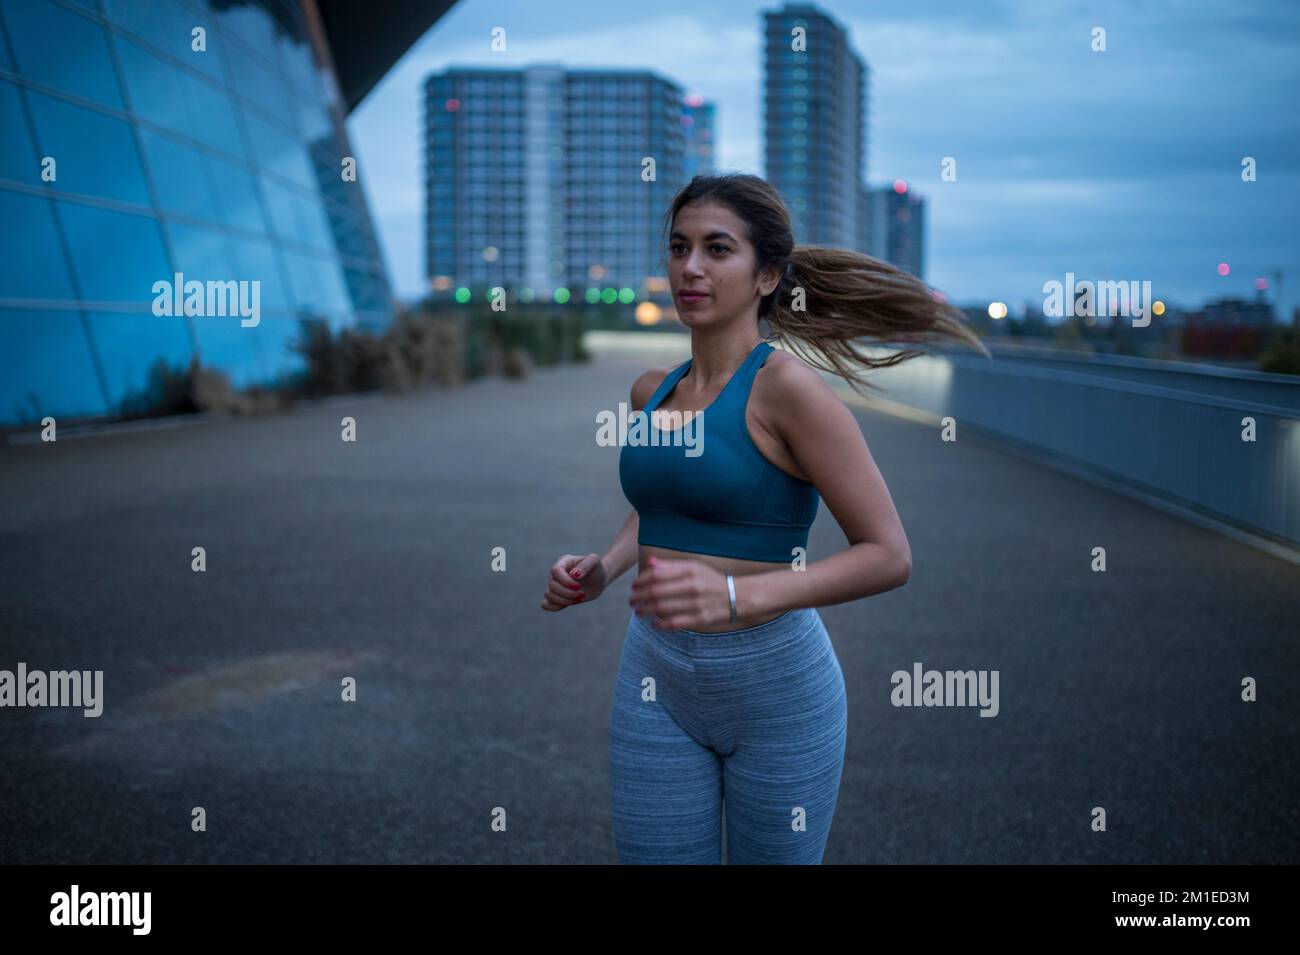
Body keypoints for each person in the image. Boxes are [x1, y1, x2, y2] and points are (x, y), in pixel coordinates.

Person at [541, 173, 989, 864]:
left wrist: (736, 595)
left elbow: (889, 553)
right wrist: (605, 566)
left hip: (777, 687)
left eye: (717, 249)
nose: (690, 267)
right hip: (654, 674)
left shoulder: (790, 392)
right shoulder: (650, 391)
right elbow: (661, 507)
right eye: (679, 246)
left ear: (767, 275)